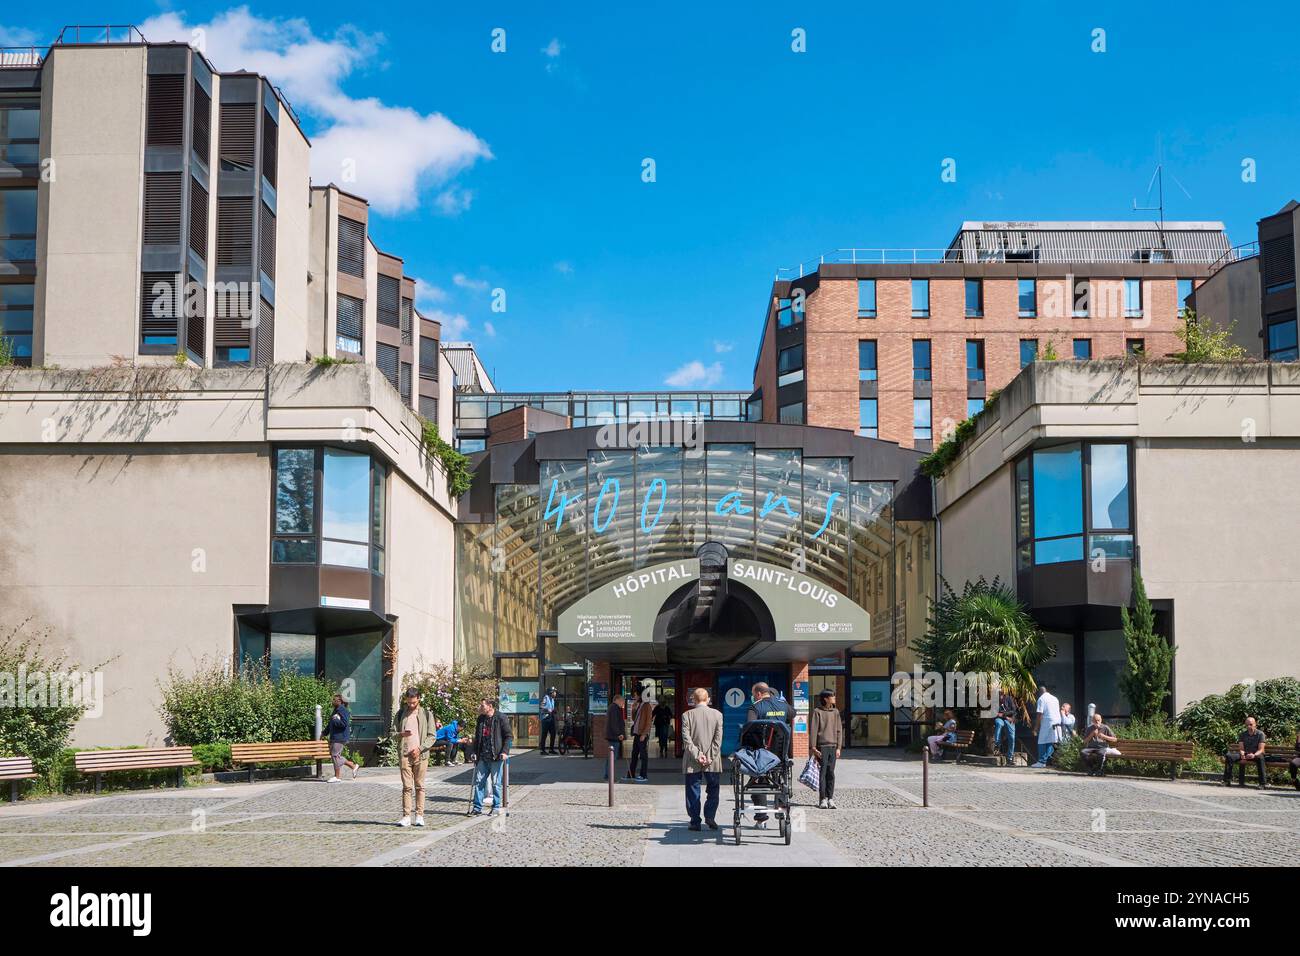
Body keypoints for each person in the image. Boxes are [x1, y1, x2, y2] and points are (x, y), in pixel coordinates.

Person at [744, 682, 794, 824]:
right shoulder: (782, 705)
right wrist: (784, 704)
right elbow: (793, 713)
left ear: (759, 694)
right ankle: (781, 810)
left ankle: (761, 817)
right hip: (779, 755)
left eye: (754, 695)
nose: (753, 697)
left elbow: (750, 726)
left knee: (758, 781)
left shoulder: (755, 707)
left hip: (762, 755)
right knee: (781, 781)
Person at [392, 687, 435, 827]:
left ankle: (419, 815)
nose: (411, 705)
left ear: (418, 699)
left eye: (413, 702)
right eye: (409, 702)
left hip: (421, 755)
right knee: (406, 787)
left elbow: (432, 736)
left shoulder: (427, 714)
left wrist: (420, 749)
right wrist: (400, 734)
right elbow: (391, 733)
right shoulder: (400, 714)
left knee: (420, 786)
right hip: (405, 754)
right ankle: (406, 816)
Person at [680, 687, 723, 831]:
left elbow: (686, 740)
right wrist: (709, 756)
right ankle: (710, 816)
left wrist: (698, 755)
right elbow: (718, 739)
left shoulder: (687, 715)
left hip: (693, 760)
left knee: (693, 790)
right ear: (708, 699)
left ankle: (695, 821)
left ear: (693, 700)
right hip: (713, 760)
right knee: (713, 789)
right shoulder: (717, 714)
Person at [470, 698, 513, 814]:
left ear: (490, 706)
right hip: (483, 756)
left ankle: (496, 807)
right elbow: (477, 737)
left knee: (496, 784)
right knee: (479, 782)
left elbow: (508, 736)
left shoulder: (501, 718)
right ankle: (477, 807)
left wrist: (505, 752)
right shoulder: (481, 719)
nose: (481, 707)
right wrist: (474, 752)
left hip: (496, 756)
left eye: (482, 705)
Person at [809, 689, 844, 809]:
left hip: (833, 747)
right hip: (821, 747)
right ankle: (822, 799)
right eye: (832, 696)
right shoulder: (817, 712)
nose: (834, 698)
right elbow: (813, 730)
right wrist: (813, 747)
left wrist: (839, 747)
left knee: (831, 773)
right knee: (822, 773)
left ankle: (831, 799)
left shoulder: (835, 712)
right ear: (825, 699)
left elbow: (839, 730)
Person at [1222, 716, 1268, 789]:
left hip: (1256, 754)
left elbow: (1261, 749)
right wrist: (1242, 754)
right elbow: (1241, 748)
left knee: (1261, 758)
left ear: (1255, 724)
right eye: (1247, 725)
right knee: (1229, 756)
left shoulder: (1260, 734)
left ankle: (1262, 783)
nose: (1248, 726)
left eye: (1250, 724)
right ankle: (1227, 780)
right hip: (1245, 754)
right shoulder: (1243, 734)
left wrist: (1254, 755)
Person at [324, 693, 359, 783]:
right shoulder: (336, 710)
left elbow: (344, 724)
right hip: (335, 736)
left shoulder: (342, 710)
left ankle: (337, 776)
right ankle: (353, 766)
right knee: (335, 756)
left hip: (340, 737)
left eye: (334, 700)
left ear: (340, 701)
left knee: (335, 755)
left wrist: (335, 720)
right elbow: (330, 724)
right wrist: (324, 733)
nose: (333, 701)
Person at [626, 691, 655, 782]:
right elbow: (635, 719)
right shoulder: (639, 705)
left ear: (640, 695)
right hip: (637, 734)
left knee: (643, 755)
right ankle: (631, 774)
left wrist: (644, 733)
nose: (634, 697)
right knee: (634, 754)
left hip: (642, 734)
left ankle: (643, 775)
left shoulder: (647, 706)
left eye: (635, 695)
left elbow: (648, 721)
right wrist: (633, 709)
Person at [1031, 685, 1061, 768]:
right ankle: (1044, 760)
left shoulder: (1041, 699)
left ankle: (1041, 761)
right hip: (1057, 721)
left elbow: (1039, 714)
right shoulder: (1055, 698)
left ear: (1039, 693)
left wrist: (1036, 728)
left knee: (1042, 741)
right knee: (1051, 741)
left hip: (1047, 722)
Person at [603, 693, 626, 781]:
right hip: (614, 736)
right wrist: (619, 734)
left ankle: (607, 775)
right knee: (612, 758)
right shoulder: (614, 708)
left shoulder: (613, 708)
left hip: (612, 736)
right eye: (622, 701)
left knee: (610, 757)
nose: (623, 703)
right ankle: (609, 777)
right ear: (617, 700)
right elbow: (614, 723)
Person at [993, 687, 1018, 762]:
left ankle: (1010, 757)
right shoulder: (995, 700)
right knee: (998, 723)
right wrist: (999, 715)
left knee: (1012, 737)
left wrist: (1004, 715)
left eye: (1001, 691)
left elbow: (1014, 711)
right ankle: (997, 744)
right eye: (998, 692)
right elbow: (994, 712)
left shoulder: (1009, 698)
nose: (1000, 693)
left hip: (1009, 719)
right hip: (1000, 719)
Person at [538, 686, 558, 755]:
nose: (555, 693)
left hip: (551, 718)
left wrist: (554, 710)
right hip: (546, 719)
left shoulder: (552, 699)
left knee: (553, 733)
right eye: (554, 692)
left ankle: (551, 749)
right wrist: (547, 710)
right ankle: (542, 750)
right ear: (551, 692)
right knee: (544, 735)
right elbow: (541, 706)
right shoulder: (545, 698)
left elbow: (551, 708)